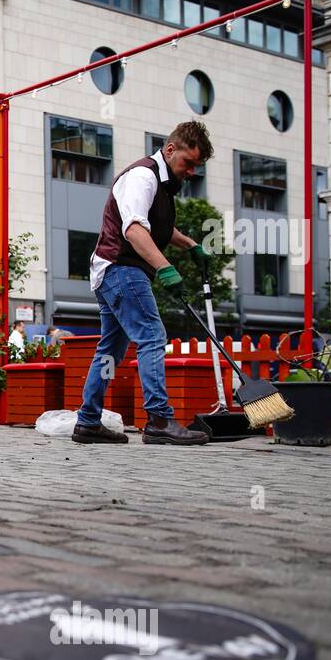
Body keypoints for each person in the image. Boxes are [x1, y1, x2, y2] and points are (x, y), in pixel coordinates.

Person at [71, 120, 212, 445]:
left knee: (110, 350)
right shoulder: (142, 177)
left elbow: (158, 228)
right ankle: (159, 420)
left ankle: (88, 422)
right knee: (151, 336)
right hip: (122, 268)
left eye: (196, 167)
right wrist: (166, 269)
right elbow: (134, 230)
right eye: (188, 163)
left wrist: (190, 245)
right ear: (171, 148)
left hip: (111, 271)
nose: (191, 171)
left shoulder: (160, 184)